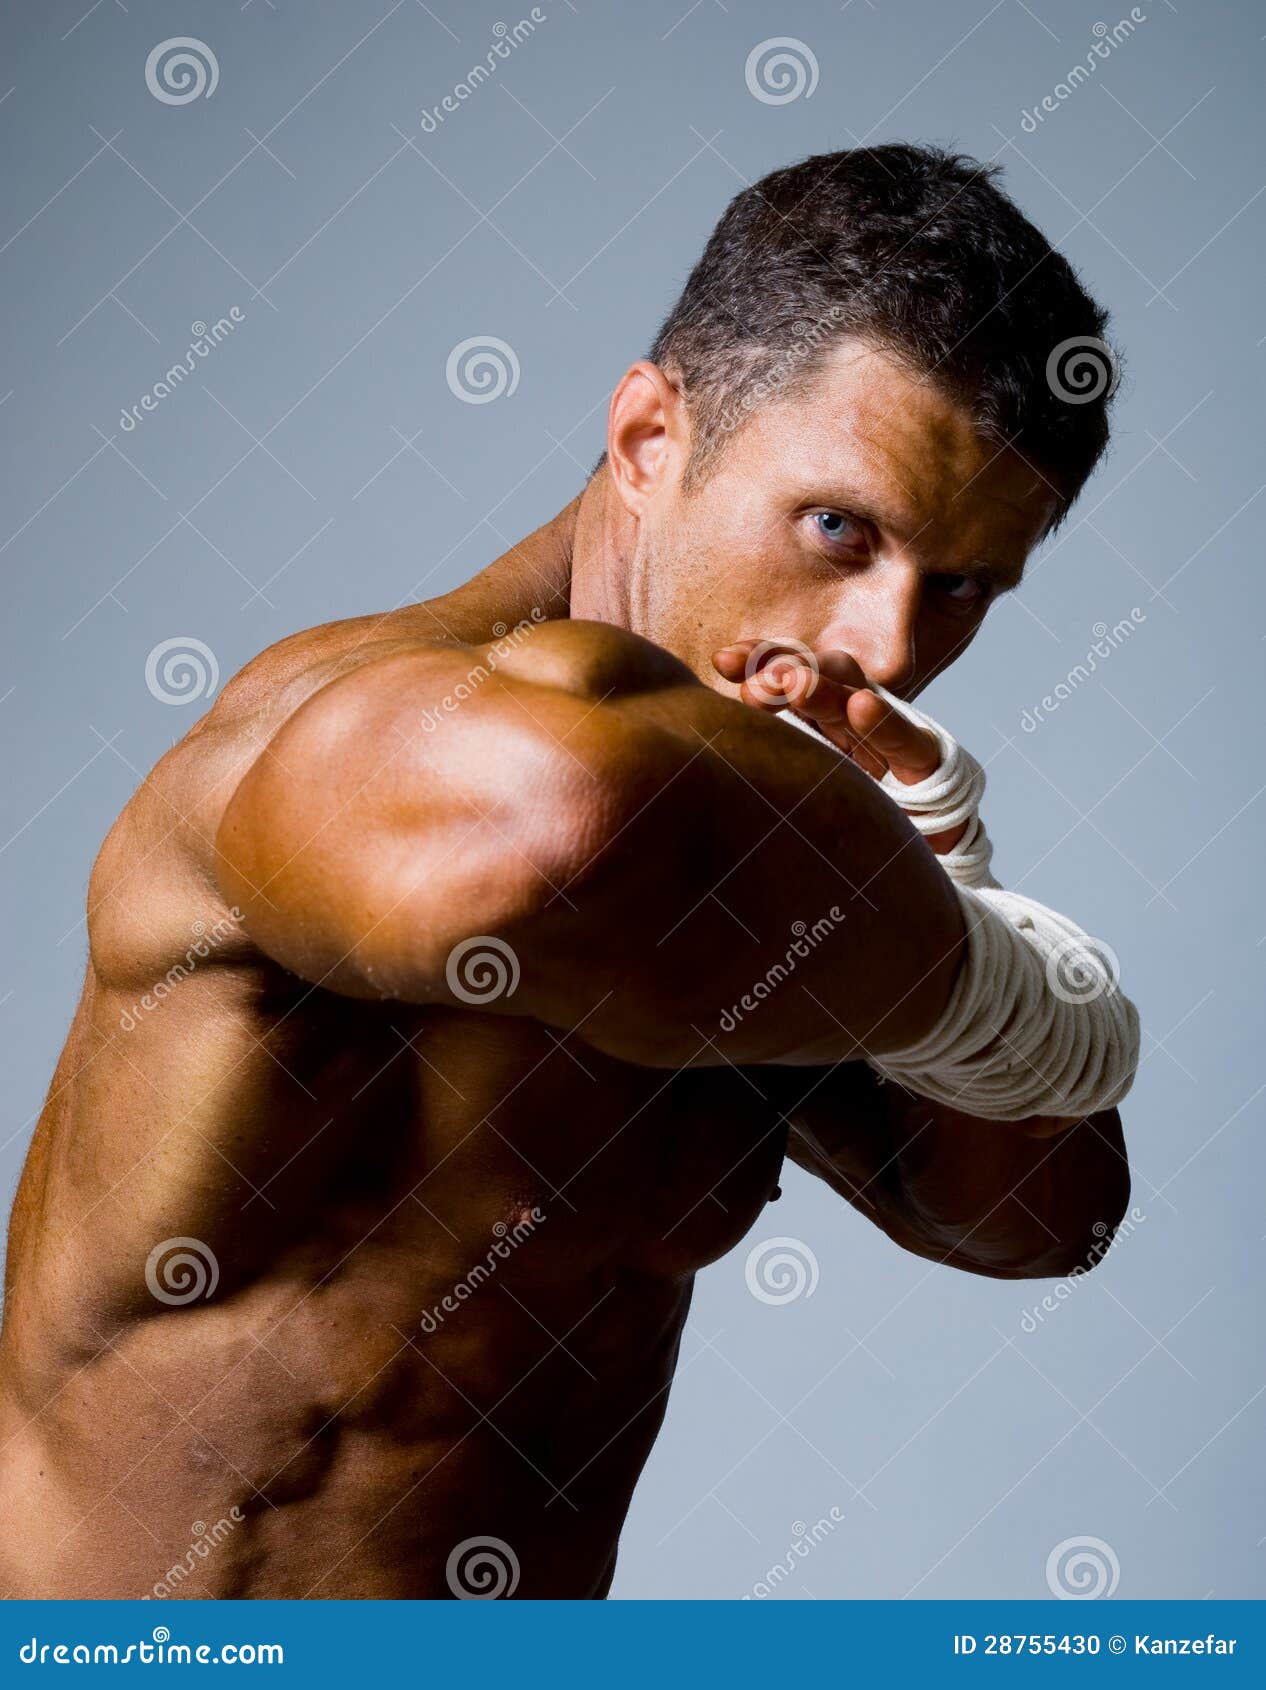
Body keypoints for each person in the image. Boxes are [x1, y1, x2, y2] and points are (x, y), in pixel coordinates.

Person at [0, 144, 1136, 1600]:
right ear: (651, 437)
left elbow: (1049, 1211)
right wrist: (978, 963)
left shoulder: (777, 870)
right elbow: (549, 847)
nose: (889, 646)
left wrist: (938, 877)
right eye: (838, 528)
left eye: (962, 583)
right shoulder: (332, 734)